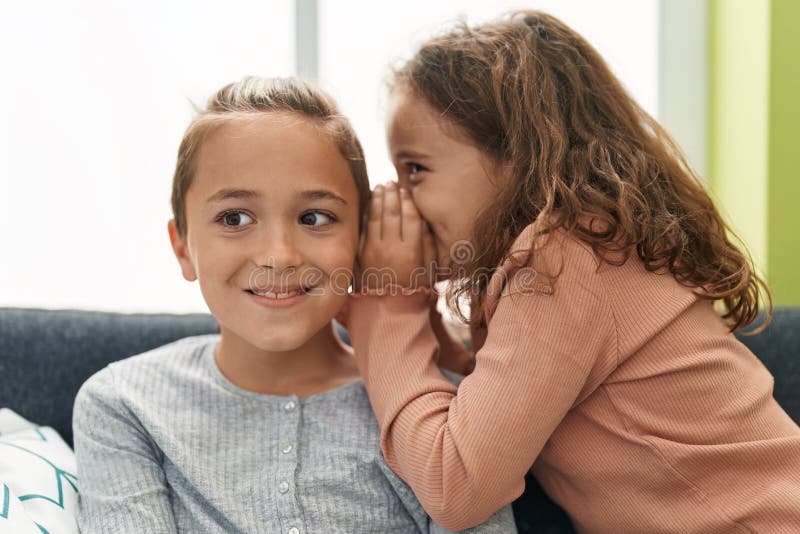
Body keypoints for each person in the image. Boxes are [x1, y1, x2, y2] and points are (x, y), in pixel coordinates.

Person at [344, 10, 800, 533]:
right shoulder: (588, 248)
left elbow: (456, 486)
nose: (397, 197)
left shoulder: (564, 259)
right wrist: (414, 312)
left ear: (519, 156)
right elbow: (485, 408)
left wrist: (388, 303)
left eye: (415, 169)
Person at [71, 76, 515, 533]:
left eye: (314, 218)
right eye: (235, 218)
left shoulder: (438, 421)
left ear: (362, 241)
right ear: (183, 246)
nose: (279, 254)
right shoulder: (124, 406)